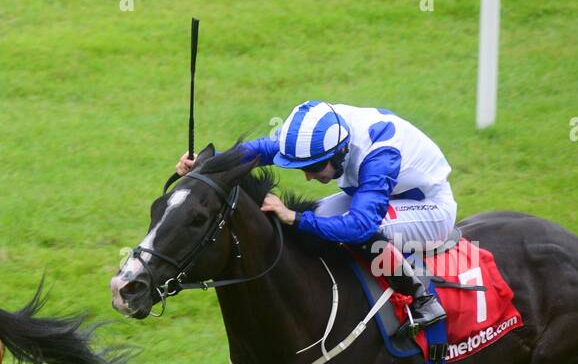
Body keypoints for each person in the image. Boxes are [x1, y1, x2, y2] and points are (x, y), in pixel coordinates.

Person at [178, 100, 452, 332]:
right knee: (316, 220)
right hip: (380, 193)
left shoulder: (379, 157)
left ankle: (422, 299)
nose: (309, 177)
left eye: (315, 167)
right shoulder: (317, 136)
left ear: (341, 152)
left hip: (429, 208)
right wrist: (206, 165)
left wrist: (294, 218)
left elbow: (360, 226)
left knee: (352, 231)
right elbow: (257, 151)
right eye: (303, 169)